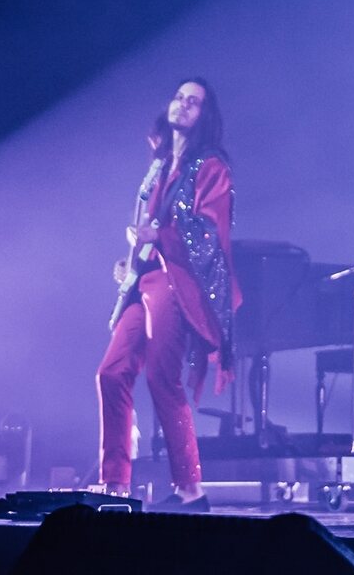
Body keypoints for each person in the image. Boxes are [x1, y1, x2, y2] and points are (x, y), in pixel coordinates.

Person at [96, 79, 239, 509]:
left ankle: (191, 490)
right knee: (112, 372)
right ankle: (115, 483)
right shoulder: (158, 166)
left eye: (193, 103)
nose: (182, 105)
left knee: (162, 378)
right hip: (145, 281)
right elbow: (144, 229)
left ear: (204, 116)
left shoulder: (211, 166)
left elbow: (211, 233)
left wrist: (156, 234)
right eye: (179, 97)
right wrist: (131, 263)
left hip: (177, 284)